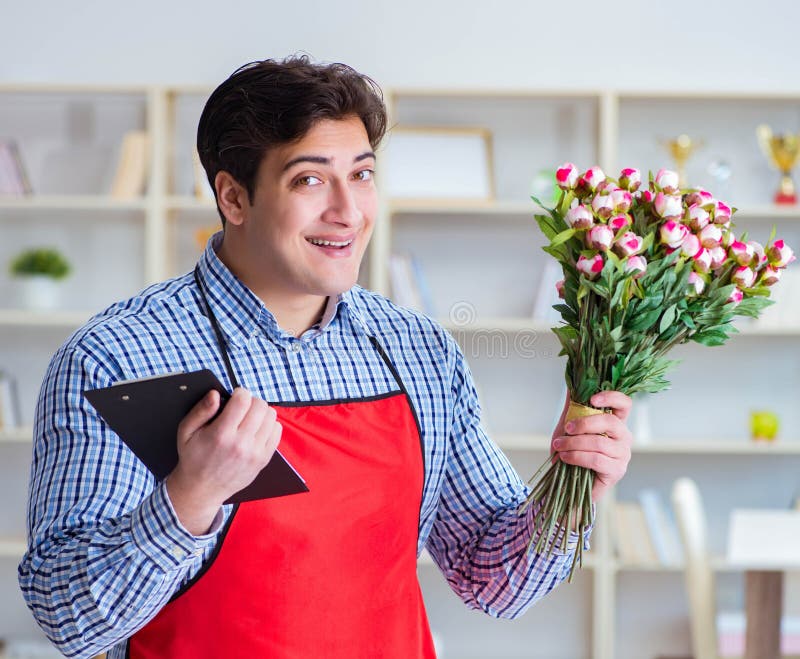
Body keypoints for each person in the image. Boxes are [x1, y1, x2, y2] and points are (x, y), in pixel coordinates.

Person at [19, 55, 633, 659]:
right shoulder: (121, 355)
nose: (347, 211)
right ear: (233, 198)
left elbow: (492, 580)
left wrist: (575, 483)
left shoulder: (417, 350)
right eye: (309, 180)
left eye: (361, 175)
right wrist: (191, 495)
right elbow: (68, 620)